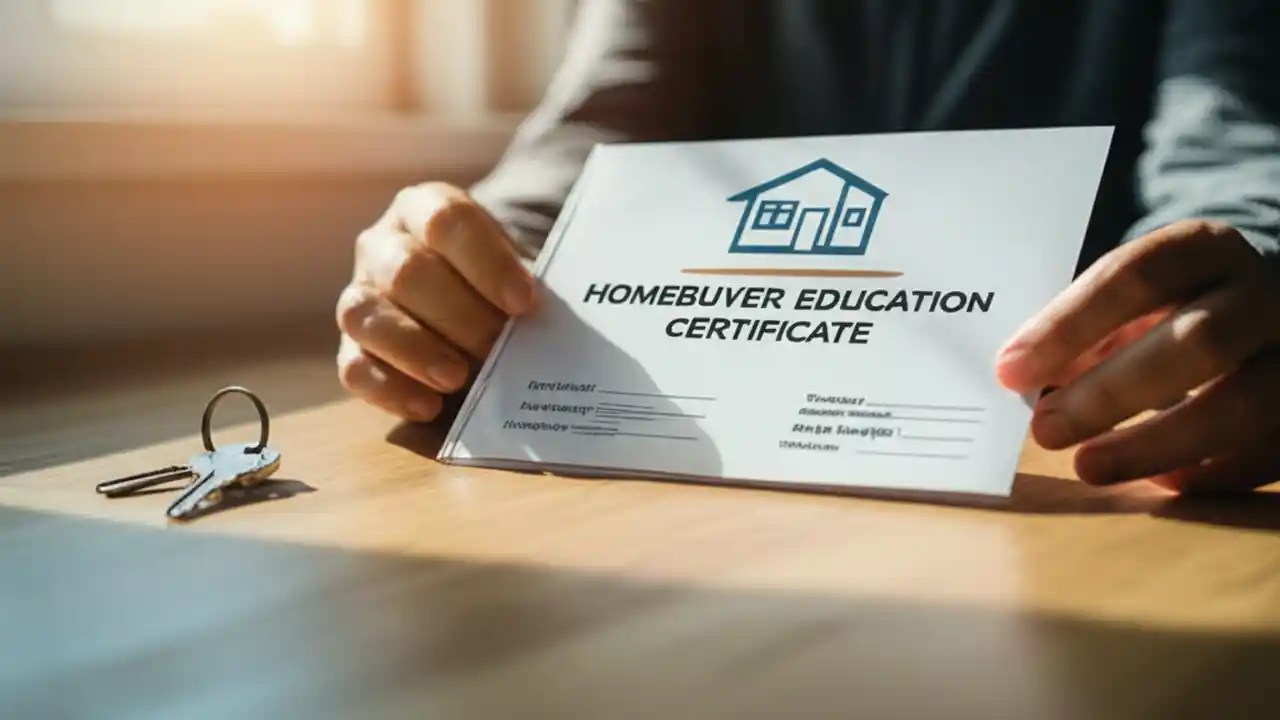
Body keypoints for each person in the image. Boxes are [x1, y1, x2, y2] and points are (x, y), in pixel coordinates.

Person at [335, 1, 1280, 492]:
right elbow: (593, 134)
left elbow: (1231, 144)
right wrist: (454, 262)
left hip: (1051, 443)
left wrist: (1242, 289)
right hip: (708, 476)